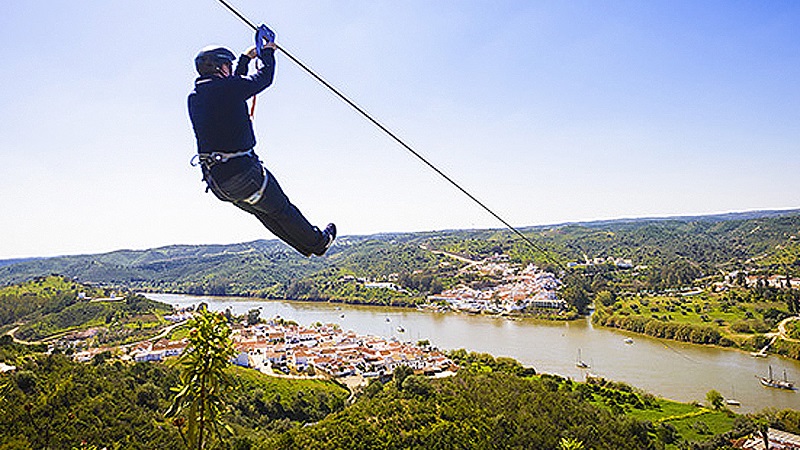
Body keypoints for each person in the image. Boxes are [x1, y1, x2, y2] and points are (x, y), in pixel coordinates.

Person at [188, 39, 336, 257]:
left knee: (268, 213)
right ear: (220, 67)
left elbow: (234, 85)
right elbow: (263, 79)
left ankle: (306, 247)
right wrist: (267, 53)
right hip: (244, 174)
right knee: (282, 209)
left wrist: (245, 59)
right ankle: (318, 242)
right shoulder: (226, 89)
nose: (230, 69)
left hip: (220, 183)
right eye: (227, 65)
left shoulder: (196, 96)